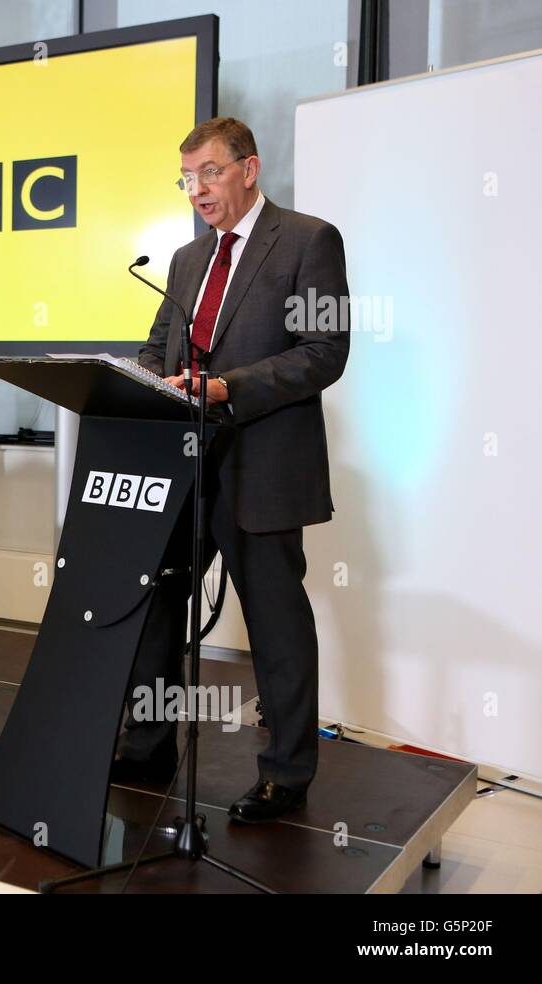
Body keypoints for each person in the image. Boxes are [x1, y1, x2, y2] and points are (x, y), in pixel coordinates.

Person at [120, 117, 350, 823]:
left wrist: (229, 388)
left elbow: (324, 351)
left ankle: (287, 773)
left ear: (248, 170)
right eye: (187, 178)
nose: (198, 190)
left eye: (210, 173)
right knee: (155, 599)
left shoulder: (310, 240)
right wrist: (146, 378)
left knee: (275, 620)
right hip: (186, 466)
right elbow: (160, 346)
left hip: (263, 464)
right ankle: (151, 742)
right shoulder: (188, 259)